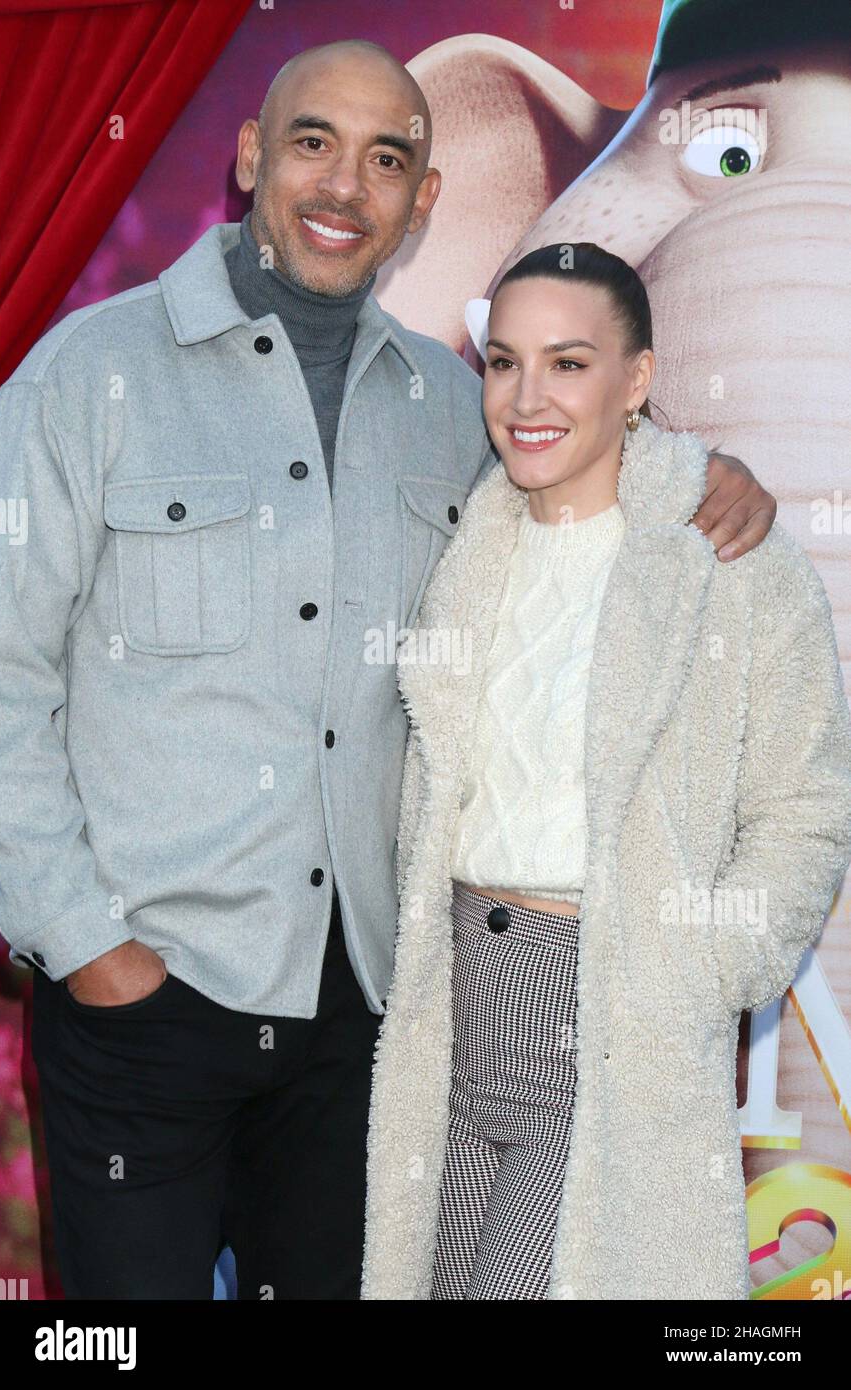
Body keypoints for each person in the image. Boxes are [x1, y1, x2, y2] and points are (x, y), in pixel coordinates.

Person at [0, 38, 775, 1301]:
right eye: (313, 142)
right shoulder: (90, 377)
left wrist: (702, 475)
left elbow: (578, 496)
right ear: (251, 158)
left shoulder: (440, 408)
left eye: (386, 158)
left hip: (356, 1022)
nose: (344, 185)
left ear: (425, 199)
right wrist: (90, 948)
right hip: (142, 1006)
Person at [361, 242, 851, 1301]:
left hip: (607, 1012)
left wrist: (695, 968)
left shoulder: (729, 562)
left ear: (637, 381)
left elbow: (803, 807)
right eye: (502, 362)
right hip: (448, 1010)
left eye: (568, 363)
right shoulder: (467, 540)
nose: (527, 397)